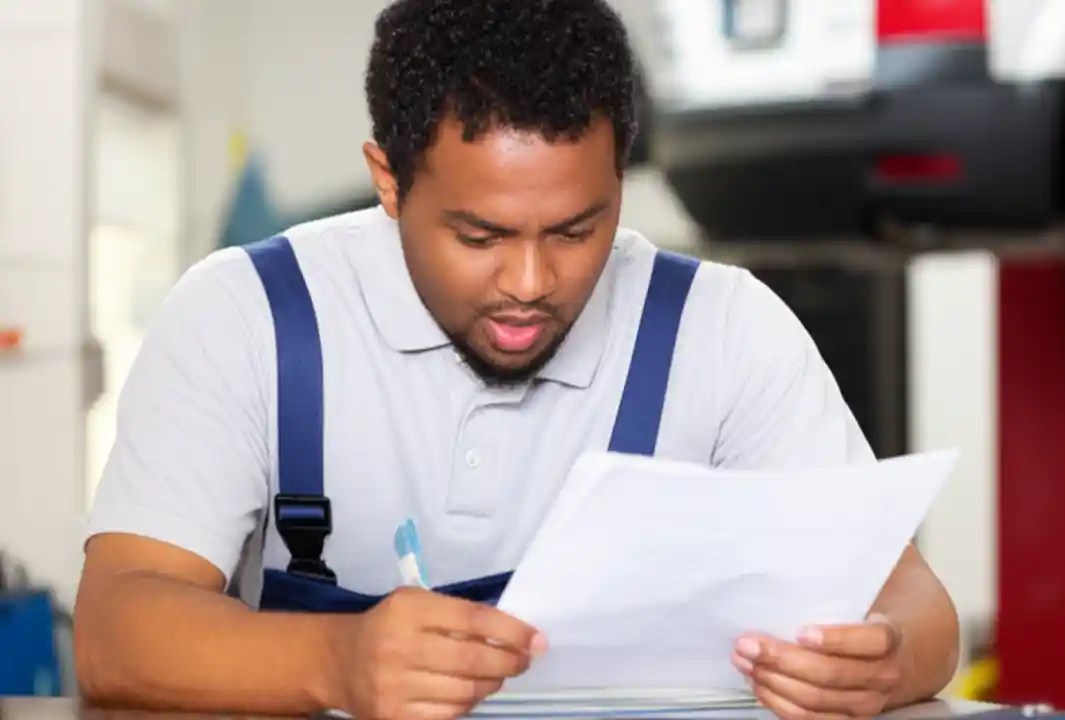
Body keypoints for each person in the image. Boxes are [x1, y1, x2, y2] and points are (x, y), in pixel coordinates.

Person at [73, 1, 959, 718]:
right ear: (388, 179)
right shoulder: (248, 315)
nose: (531, 283)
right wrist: (336, 662)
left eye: (578, 229)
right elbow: (117, 629)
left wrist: (882, 662)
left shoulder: (723, 329)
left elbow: (920, 609)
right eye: (480, 234)